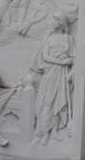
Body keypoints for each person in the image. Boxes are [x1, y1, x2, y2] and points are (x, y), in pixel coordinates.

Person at [29, 9, 75, 145]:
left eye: (56, 19)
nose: (53, 21)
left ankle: (54, 132)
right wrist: (61, 61)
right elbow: (45, 56)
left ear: (62, 22)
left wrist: (71, 68)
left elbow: (74, 58)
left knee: (59, 102)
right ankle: (43, 133)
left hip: (62, 74)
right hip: (50, 73)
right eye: (53, 18)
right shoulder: (49, 38)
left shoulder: (69, 39)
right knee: (47, 102)